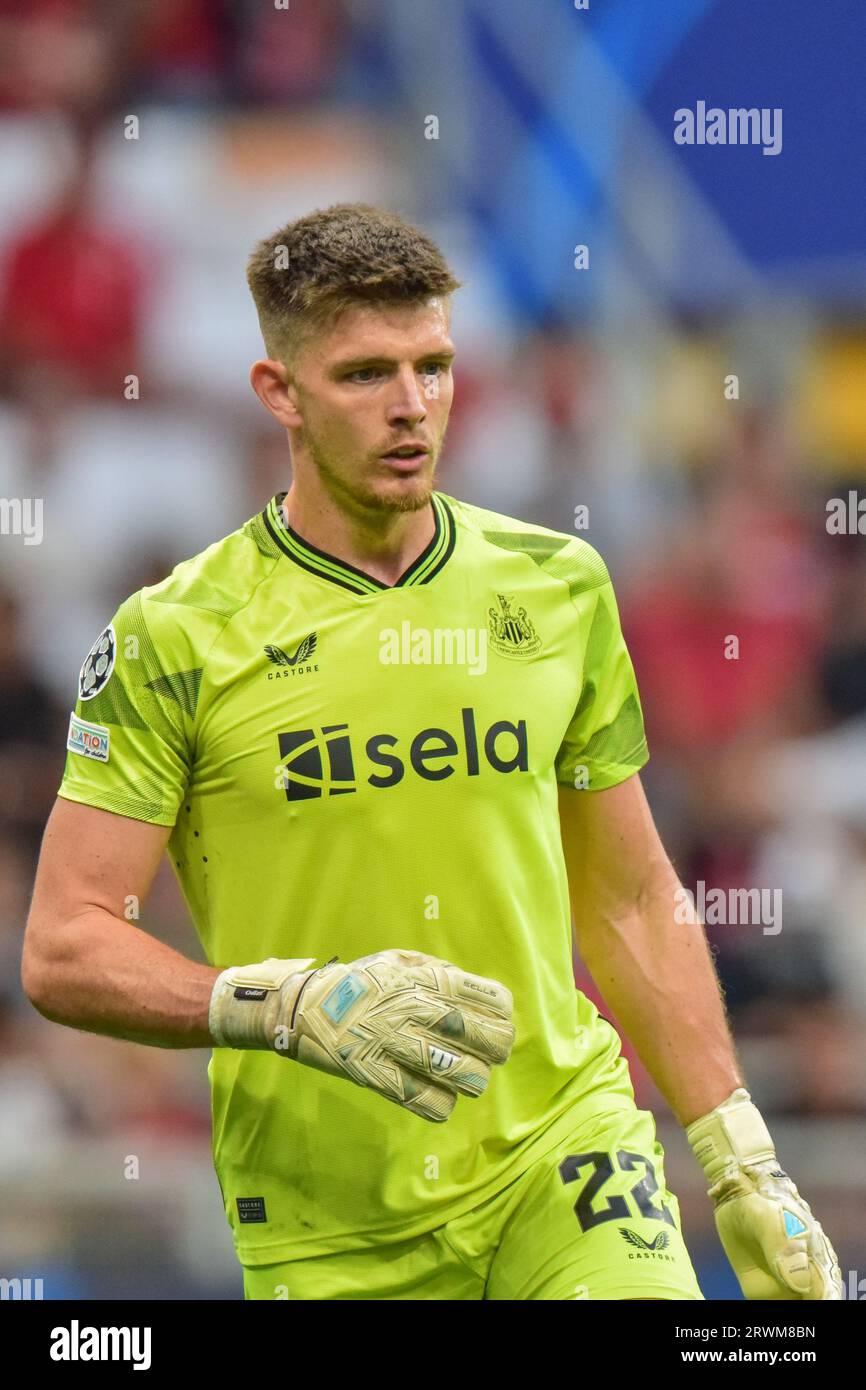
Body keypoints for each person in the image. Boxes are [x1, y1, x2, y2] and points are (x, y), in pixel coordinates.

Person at [22, 203, 841, 1301]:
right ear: (281, 395)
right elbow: (65, 945)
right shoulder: (173, 637)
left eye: (433, 366)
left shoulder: (556, 587)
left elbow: (632, 894)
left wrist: (739, 1151)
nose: (411, 407)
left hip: (563, 1153)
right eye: (365, 374)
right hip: (328, 1217)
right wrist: (282, 1003)